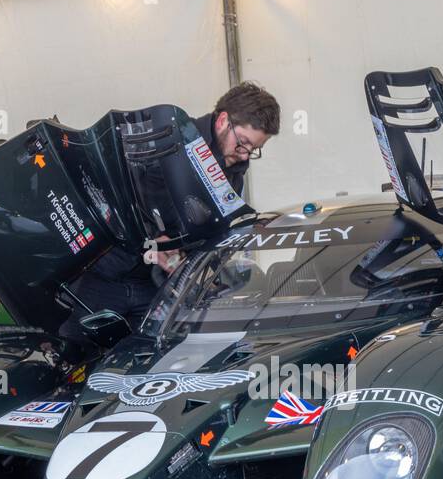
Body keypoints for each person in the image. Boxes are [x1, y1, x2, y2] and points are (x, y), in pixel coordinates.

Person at [62, 82, 280, 335]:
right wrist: (156, 235)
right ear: (222, 121)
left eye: (254, 150)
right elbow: (117, 193)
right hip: (106, 276)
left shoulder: (233, 171)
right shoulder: (164, 137)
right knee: (81, 354)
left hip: (157, 287)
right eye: (242, 143)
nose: (244, 155)